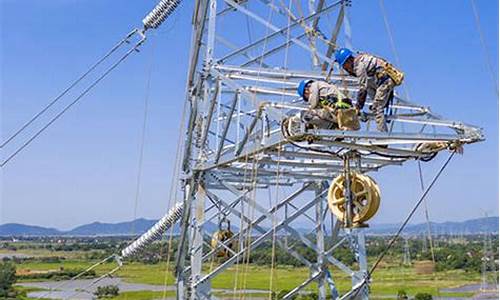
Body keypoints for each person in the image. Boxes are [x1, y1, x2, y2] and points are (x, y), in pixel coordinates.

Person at [334, 48, 404, 132]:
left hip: (385, 81)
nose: (345, 69)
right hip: (379, 80)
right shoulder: (359, 61)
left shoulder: (359, 67)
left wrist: (358, 107)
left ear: (347, 62)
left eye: (344, 66)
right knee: (369, 87)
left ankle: (383, 137)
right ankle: (378, 105)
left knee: (377, 108)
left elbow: (362, 88)